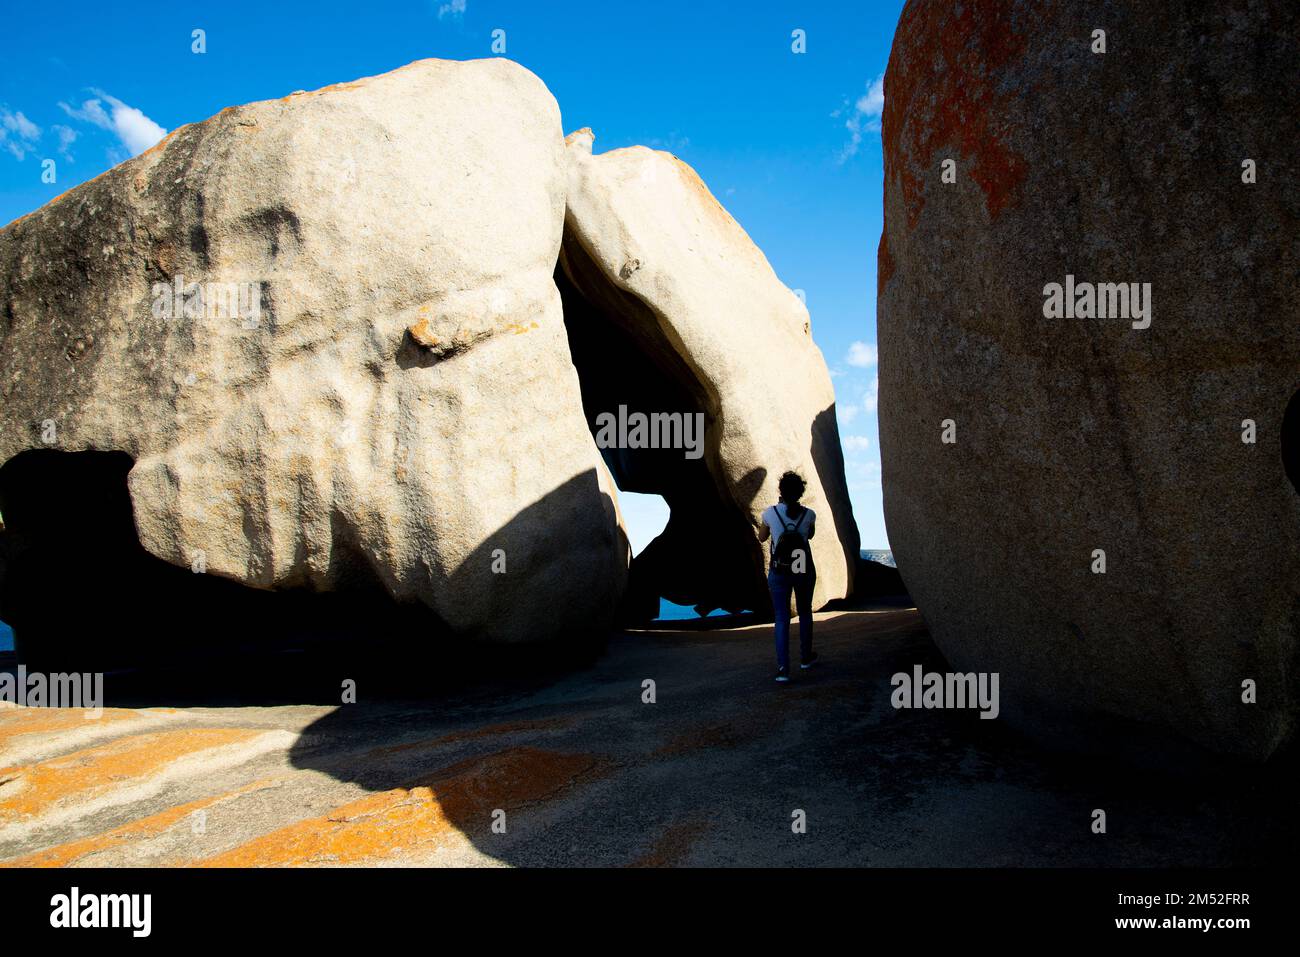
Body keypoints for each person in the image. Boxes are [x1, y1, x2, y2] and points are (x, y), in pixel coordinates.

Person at [756, 470, 817, 683]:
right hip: (803, 569)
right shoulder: (809, 514)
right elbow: (809, 535)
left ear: (780, 491)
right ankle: (806, 658)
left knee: (781, 619)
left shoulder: (770, 513)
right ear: (801, 492)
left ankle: (783, 668)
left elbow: (762, 538)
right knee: (805, 613)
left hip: (779, 571)